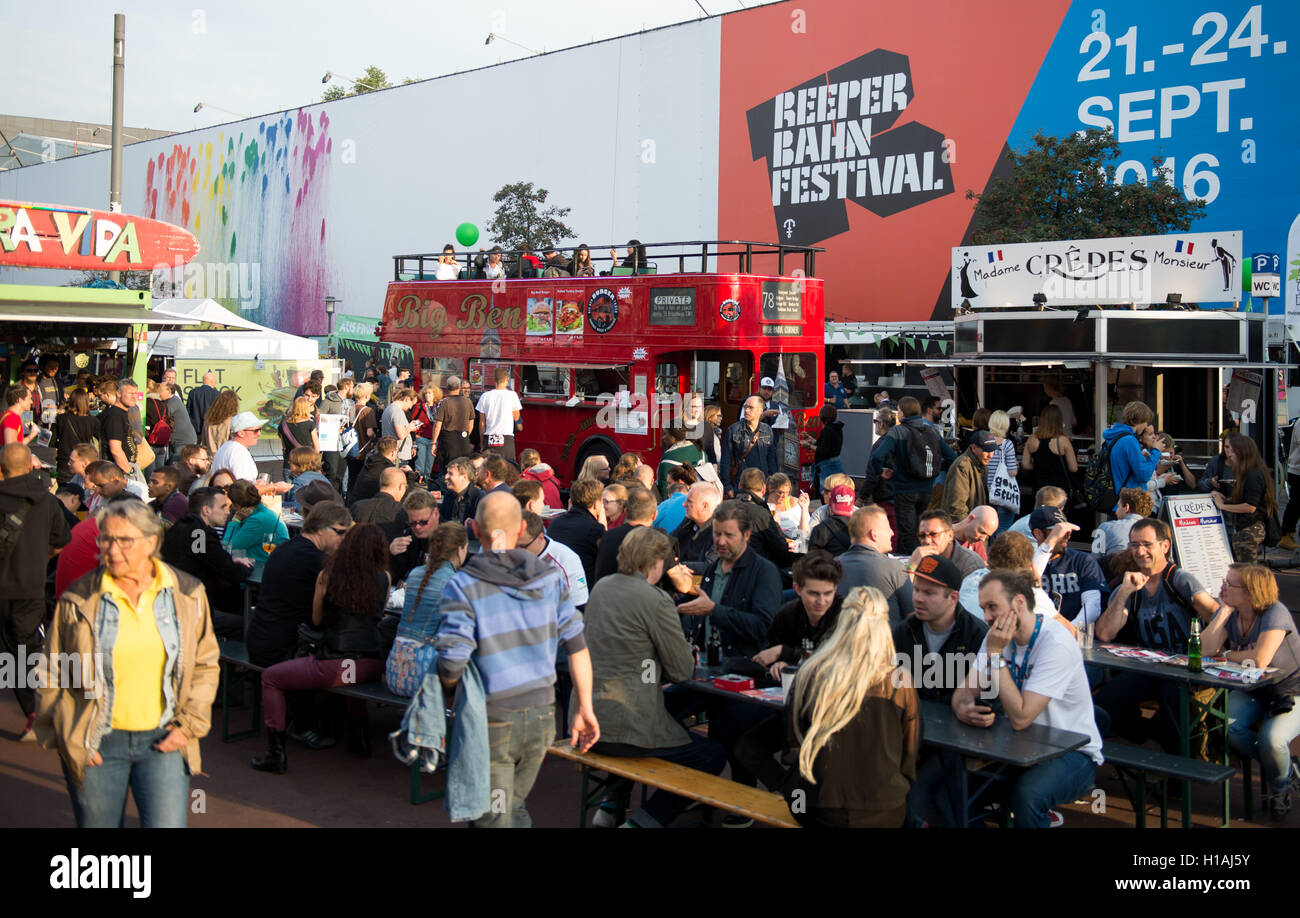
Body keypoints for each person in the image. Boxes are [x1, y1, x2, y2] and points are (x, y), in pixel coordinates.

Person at [35, 499, 219, 827]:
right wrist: (71, 738)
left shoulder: (187, 593)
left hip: (165, 739)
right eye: (106, 539)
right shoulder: (80, 599)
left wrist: (189, 726)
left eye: (124, 541)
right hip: (97, 740)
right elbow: (51, 672)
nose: (112, 549)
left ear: (151, 543)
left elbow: (205, 664)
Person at [435, 491, 600, 827]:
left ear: (474, 530)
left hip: (491, 717)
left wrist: (446, 692)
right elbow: (577, 646)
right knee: (509, 804)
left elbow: (452, 660)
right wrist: (584, 707)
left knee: (492, 813)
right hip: (540, 718)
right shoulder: (550, 579)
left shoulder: (464, 584)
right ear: (522, 526)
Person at [584, 526, 728, 827]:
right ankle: (643, 822)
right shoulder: (656, 600)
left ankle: (611, 805)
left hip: (588, 716)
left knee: (666, 713)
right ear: (657, 563)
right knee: (710, 755)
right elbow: (680, 671)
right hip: (624, 723)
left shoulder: (602, 587)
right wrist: (688, 652)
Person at [944, 570, 1103, 828]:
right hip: (1020, 747)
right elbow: (964, 691)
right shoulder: (997, 636)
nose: (986, 617)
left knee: (1028, 796)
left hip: (1071, 751)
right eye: (984, 608)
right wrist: (962, 707)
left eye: (992, 607)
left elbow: (1020, 717)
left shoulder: (1055, 643)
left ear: (1019, 602)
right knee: (952, 790)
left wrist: (996, 657)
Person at [252, 523, 391, 772]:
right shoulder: (384, 577)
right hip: (369, 663)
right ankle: (359, 735)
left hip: (335, 662)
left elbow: (316, 619)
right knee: (349, 679)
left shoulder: (327, 575)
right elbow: (379, 615)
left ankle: (276, 752)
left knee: (271, 677)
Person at [784, 585, 920, 827]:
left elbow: (794, 739)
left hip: (814, 806)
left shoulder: (811, 672)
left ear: (842, 620)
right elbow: (910, 754)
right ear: (883, 625)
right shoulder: (899, 682)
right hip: (884, 811)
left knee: (796, 792)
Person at [1093, 518, 1221, 752]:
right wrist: (1123, 593)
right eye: (1134, 545)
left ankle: (1177, 777)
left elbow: (1217, 614)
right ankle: (1152, 736)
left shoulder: (1179, 580)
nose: (1140, 551)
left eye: (1146, 544)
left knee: (1175, 706)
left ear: (1164, 546)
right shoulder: (1131, 583)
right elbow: (1104, 633)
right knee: (1105, 704)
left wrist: (1211, 652)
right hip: (1150, 668)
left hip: (1185, 671)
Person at [1202, 564, 1300, 818]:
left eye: (1229, 584)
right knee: (1228, 726)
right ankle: (1284, 769)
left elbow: (1260, 660)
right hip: (1252, 688)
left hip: (1290, 689)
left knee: (1272, 740)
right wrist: (1223, 612)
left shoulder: (1275, 612)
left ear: (1250, 592)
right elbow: (1202, 650)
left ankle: (1280, 788)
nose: (1222, 587)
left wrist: (1224, 654)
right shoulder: (1231, 611)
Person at [0, 444, 71, 740]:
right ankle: (35, 711)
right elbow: (63, 539)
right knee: (23, 652)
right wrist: (41, 558)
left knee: (11, 652)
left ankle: (34, 707)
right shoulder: (47, 499)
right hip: (30, 585)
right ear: (31, 466)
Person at [245, 503, 354, 667]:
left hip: (259, 640)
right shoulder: (317, 560)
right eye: (340, 532)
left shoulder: (283, 549)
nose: (344, 539)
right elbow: (337, 609)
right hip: (287, 651)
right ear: (320, 529)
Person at [675, 500, 782, 660]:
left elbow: (763, 626)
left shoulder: (764, 572)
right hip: (706, 665)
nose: (721, 541)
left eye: (729, 535)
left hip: (743, 669)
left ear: (746, 535)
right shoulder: (712, 569)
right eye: (717, 534)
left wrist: (714, 610)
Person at [385, 522, 468, 696]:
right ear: (460, 549)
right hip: (425, 677)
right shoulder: (455, 582)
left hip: (395, 669)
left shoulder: (415, 574)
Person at [893, 552, 987, 702]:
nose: (918, 598)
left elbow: (992, 696)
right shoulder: (902, 632)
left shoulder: (977, 635)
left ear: (953, 598)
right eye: (916, 589)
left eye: (928, 593)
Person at [866, 396, 956, 553]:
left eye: (899, 410)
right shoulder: (931, 430)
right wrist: (935, 470)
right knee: (921, 531)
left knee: (906, 534)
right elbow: (952, 457)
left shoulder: (898, 431)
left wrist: (882, 471)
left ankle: (911, 566)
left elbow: (877, 456)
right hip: (927, 489)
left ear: (903, 412)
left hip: (904, 489)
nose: (897, 414)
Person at [161, 485, 253, 636]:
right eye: (223, 507)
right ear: (206, 510)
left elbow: (204, 558)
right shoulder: (200, 534)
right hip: (190, 613)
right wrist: (246, 566)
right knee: (248, 624)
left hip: (173, 606)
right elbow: (233, 573)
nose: (227, 511)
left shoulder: (183, 525)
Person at [1030, 505, 1104, 627]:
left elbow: (1093, 605)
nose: (1066, 536)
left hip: (1072, 634)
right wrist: (1049, 544)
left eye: (1067, 531)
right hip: (1035, 634)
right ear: (1038, 534)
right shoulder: (1028, 559)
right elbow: (1025, 583)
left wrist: (1070, 630)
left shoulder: (1082, 560)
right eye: (1057, 531)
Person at [838, 504, 912, 625]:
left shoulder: (832, 567)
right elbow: (913, 618)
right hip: (886, 642)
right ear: (874, 534)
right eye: (888, 528)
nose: (892, 532)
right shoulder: (894, 568)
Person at [1211, 433, 1276, 563]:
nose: (1229, 455)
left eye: (1233, 452)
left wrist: (1223, 506)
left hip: (1250, 528)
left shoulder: (1253, 475)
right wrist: (1226, 499)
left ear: (1243, 453)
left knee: (1247, 571)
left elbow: (1250, 506)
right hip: (1246, 528)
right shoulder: (1249, 472)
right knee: (1245, 569)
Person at [520, 511, 590, 608]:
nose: (517, 552)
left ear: (540, 538)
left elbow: (579, 604)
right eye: (514, 545)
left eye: (522, 546)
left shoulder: (567, 560)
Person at [547, 478, 606, 588]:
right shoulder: (595, 529)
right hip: (583, 588)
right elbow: (604, 562)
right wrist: (603, 526)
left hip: (555, 585)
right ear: (596, 504)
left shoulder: (555, 523)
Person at [1102, 401, 1161, 512]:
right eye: (1146, 422)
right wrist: (1156, 451)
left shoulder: (1116, 436)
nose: (1146, 426)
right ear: (1139, 420)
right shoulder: (1130, 440)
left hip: (1117, 498)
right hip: (1130, 502)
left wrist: (1140, 456)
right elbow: (1143, 475)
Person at [593, 486, 657, 582]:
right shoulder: (606, 520)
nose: (602, 506)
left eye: (606, 502)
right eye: (602, 501)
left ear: (620, 505)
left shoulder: (619, 530)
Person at [719, 395, 777, 496]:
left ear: (761, 410)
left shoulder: (767, 430)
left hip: (762, 486)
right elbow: (725, 459)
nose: (746, 410)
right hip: (741, 485)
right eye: (745, 407)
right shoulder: (733, 430)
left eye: (750, 407)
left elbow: (772, 459)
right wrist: (727, 487)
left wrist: (773, 485)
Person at [382, 488, 442, 584]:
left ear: (435, 514)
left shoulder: (450, 537)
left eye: (423, 522)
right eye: (413, 523)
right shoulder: (410, 535)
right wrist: (391, 554)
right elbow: (396, 576)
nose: (417, 527)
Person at [222, 480, 289, 559]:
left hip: (265, 567)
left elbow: (227, 547)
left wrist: (235, 521)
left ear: (237, 505)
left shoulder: (258, 520)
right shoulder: (261, 513)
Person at [1022, 404, 1077, 498]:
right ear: (1059, 421)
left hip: (1039, 489)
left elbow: (1025, 465)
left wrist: (1038, 467)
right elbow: (1074, 468)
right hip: (1059, 492)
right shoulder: (1063, 440)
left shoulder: (1032, 439)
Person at [941, 430, 995, 524]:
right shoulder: (963, 466)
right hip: (965, 530)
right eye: (986, 450)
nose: (990, 455)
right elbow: (957, 508)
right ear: (973, 448)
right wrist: (969, 530)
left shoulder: (981, 465)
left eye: (992, 450)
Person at [915, 509, 985, 579]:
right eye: (922, 535)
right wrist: (912, 565)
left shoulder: (970, 564)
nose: (927, 541)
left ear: (950, 535)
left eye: (934, 534)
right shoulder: (919, 558)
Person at [100, 378, 144, 482]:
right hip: (120, 469)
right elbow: (115, 449)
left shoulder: (122, 413)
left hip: (127, 466)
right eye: (130, 393)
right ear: (118, 393)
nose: (134, 397)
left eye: (135, 393)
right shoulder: (115, 415)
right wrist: (130, 472)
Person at [476, 367, 522, 463]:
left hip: (489, 439)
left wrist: (481, 443)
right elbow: (517, 417)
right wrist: (520, 426)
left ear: (494, 379)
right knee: (507, 468)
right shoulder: (512, 395)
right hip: (506, 439)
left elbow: (482, 424)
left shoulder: (485, 396)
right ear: (507, 379)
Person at [672, 481, 722, 570]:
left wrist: (677, 566)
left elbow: (710, 565)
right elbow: (669, 542)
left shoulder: (720, 531)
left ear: (704, 506)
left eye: (690, 501)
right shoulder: (688, 522)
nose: (684, 504)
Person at [53, 388, 100, 483]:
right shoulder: (93, 421)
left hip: (65, 462)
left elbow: (51, 442)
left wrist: (62, 444)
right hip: (83, 463)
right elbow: (101, 439)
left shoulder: (61, 419)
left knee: (64, 492)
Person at [985, 410, 1020, 534]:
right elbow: (1012, 472)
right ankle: (998, 551)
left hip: (987, 491)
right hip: (1002, 491)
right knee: (1003, 528)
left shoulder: (985, 441)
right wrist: (1016, 465)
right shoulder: (1007, 444)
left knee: (989, 527)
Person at [318, 377, 354, 495]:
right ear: (346, 386)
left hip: (344, 442)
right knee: (331, 472)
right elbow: (320, 421)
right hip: (330, 442)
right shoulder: (328, 401)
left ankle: (337, 499)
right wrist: (334, 428)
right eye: (352, 387)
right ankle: (328, 498)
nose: (353, 390)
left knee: (340, 473)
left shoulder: (349, 402)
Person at [430, 376, 475, 469]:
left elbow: (437, 425)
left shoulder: (443, 403)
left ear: (447, 387)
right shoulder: (468, 402)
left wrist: (434, 443)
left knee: (446, 469)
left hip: (447, 440)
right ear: (459, 387)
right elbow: (471, 424)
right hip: (463, 439)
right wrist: (466, 435)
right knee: (462, 468)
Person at [209, 411, 265, 484]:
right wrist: (273, 487)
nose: (259, 434)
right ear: (241, 433)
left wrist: (255, 483)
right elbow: (243, 489)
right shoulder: (238, 452)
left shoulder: (227, 446)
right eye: (256, 431)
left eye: (260, 429)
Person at [1096, 486, 1153, 556]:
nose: (1116, 512)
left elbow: (1094, 560)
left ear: (1127, 507)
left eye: (1118, 506)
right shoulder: (1157, 531)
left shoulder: (1105, 527)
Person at [804, 403, 844, 496]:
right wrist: (812, 440)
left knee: (826, 494)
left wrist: (808, 446)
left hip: (827, 466)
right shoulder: (837, 428)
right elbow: (827, 445)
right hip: (836, 463)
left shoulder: (827, 430)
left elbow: (823, 450)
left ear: (823, 416)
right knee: (836, 491)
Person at [348, 436, 399, 505]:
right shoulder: (388, 470)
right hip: (370, 506)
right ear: (393, 452)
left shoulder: (370, 462)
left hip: (355, 504)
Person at [656, 428, 704, 499]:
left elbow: (663, 489)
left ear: (673, 437)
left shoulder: (669, 457)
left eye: (665, 434)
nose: (663, 438)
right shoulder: (701, 451)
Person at [278, 396, 319, 478]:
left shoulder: (283, 424)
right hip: (305, 466)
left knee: (290, 490)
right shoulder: (310, 424)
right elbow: (316, 448)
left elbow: (284, 447)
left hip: (289, 464)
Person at [766, 472, 810, 541]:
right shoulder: (764, 505)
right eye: (780, 492)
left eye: (787, 492)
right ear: (770, 489)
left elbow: (804, 534)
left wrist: (804, 509)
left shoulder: (794, 503)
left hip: (796, 541)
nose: (784, 496)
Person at [381, 387, 419, 467]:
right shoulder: (397, 411)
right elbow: (401, 435)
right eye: (412, 404)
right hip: (398, 455)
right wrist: (410, 428)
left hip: (392, 452)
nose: (411, 407)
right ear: (407, 399)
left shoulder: (390, 408)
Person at [439, 456, 483, 525]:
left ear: (464, 477)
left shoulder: (479, 498)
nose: (446, 477)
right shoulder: (449, 495)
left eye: (450, 473)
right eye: (447, 473)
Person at [410, 384, 440, 482]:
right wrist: (415, 438)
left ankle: (426, 485)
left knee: (429, 467)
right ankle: (418, 484)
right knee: (420, 465)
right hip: (421, 439)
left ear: (435, 395)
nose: (427, 395)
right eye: (426, 393)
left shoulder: (438, 408)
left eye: (430, 393)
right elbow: (412, 421)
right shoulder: (419, 406)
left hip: (433, 441)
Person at [654, 466, 695, 534]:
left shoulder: (666, 505)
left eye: (669, 483)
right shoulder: (698, 501)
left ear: (680, 482)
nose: (667, 487)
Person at [201, 388, 240, 457]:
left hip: (210, 459)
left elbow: (204, 442)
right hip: (225, 459)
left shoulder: (208, 421)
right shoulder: (232, 422)